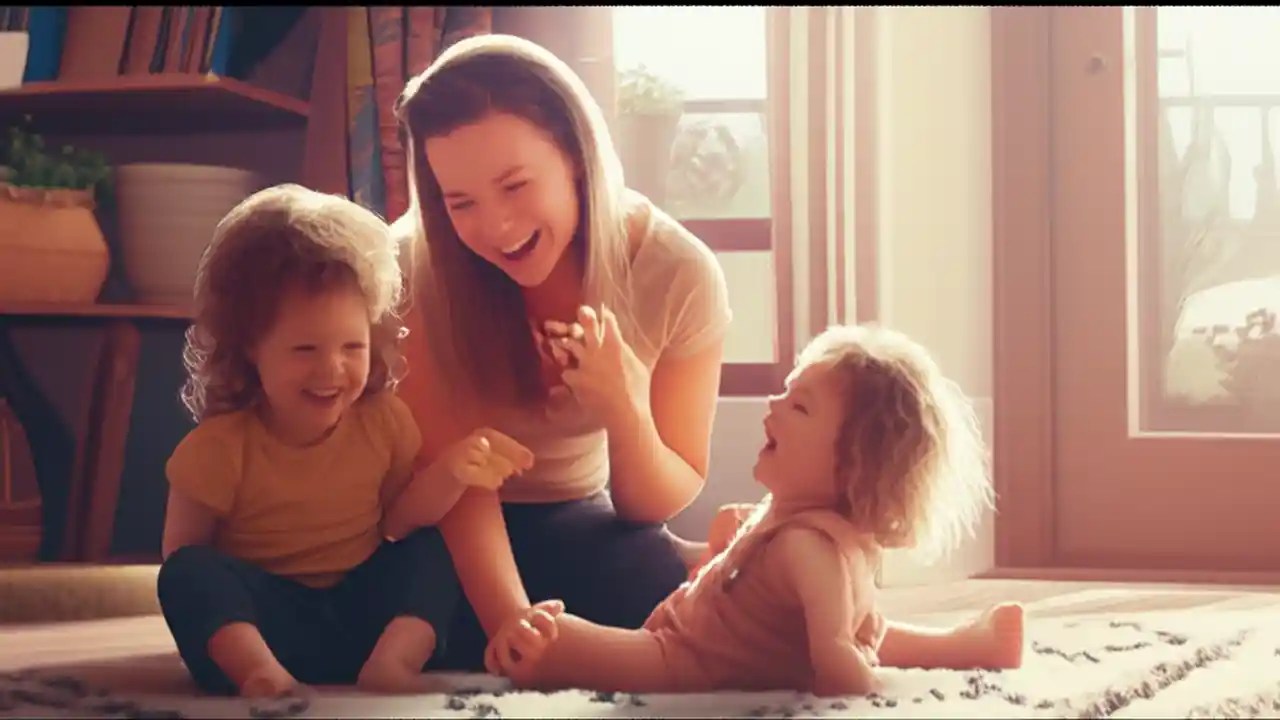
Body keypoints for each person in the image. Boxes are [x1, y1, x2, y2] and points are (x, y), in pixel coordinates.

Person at [385, 33, 733, 671]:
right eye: (461, 203)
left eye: (515, 185)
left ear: (575, 156)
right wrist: (515, 625)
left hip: (574, 513)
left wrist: (625, 408)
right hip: (437, 522)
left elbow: (653, 499)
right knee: (393, 602)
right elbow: (456, 481)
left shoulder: (677, 272)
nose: (497, 226)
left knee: (651, 577)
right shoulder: (408, 268)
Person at [491, 324, 1026, 695]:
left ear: (852, 464)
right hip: (710, 637)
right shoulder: (793, 517)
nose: (774, 404)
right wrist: (727, 548)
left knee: (569, 640)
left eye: (800, 407)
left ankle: (536, 653)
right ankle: (962, 645)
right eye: (786, 391)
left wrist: (852, 678)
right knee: (870, 627)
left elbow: (836, 650)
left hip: (692, 661)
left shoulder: (807, 549)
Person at [155, 184, 539, 697]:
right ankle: (260, 674)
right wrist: (220, 613)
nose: (331, 369)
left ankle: (393, 664)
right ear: (250, 348)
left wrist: (452, 472)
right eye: (305, 349)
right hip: (269, 625)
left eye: (352, 346)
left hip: (365, 621)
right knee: (185, 573)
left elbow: (399, 522)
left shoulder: (384, 422)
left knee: (432, 549)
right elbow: (185, 557)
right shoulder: (218, 448)